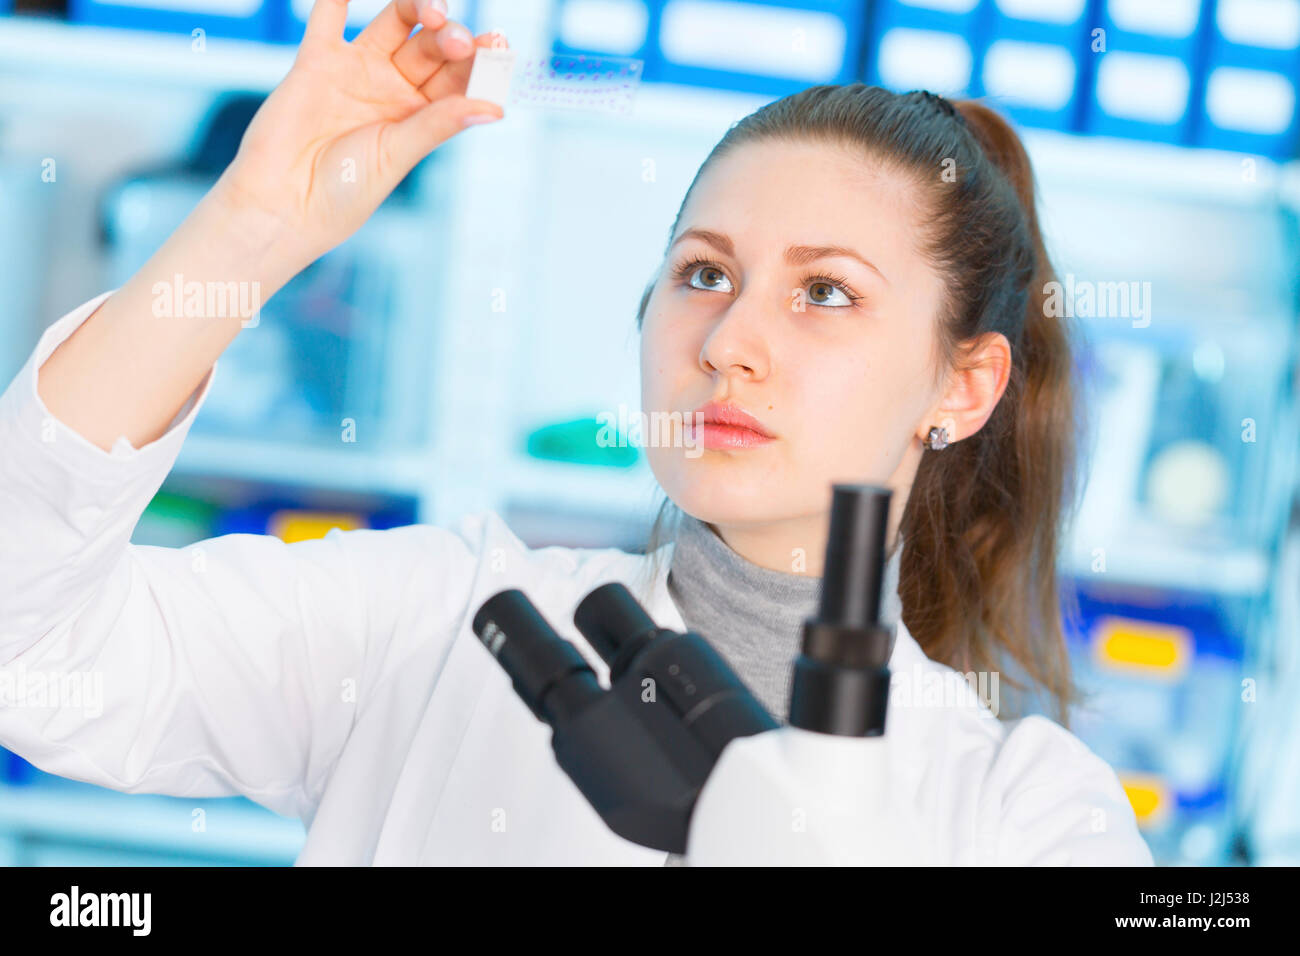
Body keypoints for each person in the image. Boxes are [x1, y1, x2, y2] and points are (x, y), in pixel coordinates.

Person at [0, 0, 1153, 865]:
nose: (729, 341)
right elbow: (35, 653)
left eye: (825, 291)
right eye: (704, 272)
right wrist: (251, 228)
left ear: (964, 384)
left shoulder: (1025, 813)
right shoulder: (435, 621)